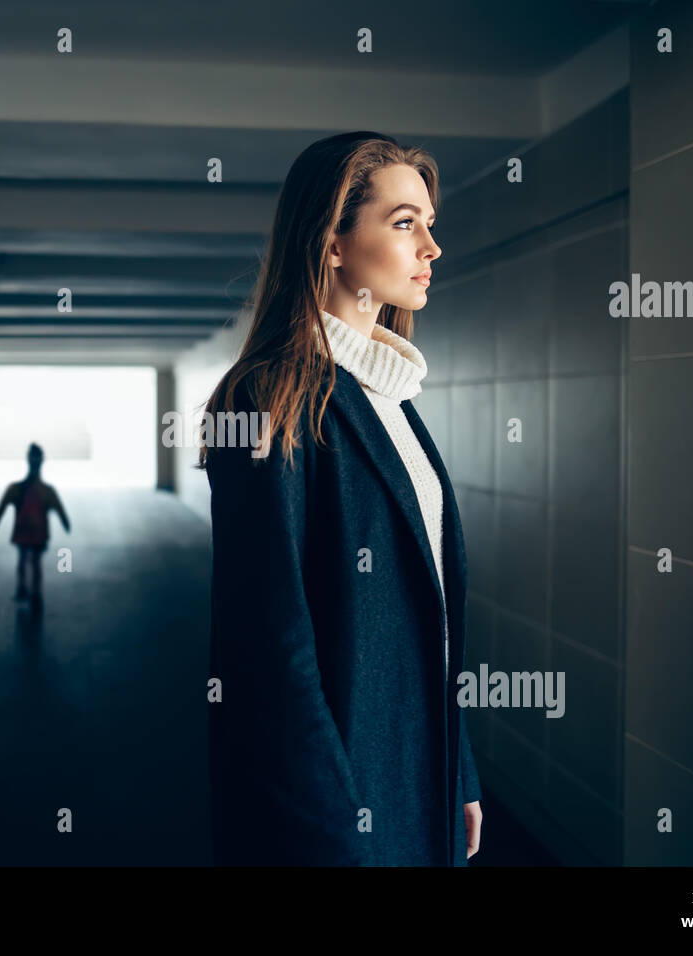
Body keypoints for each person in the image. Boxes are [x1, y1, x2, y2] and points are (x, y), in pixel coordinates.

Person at [199, 131, 483, 866]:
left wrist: (460, 770)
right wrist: (329, 832)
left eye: (429, 223)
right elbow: (267, 652)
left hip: (416, 771)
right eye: (403, 222)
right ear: (331, 245)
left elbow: (430, 618)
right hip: (340, 803)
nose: (432, 247)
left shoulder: (390, 395)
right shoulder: (266, 397)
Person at [0, 443, 70, 611]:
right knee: (34, 561)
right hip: (37, 532)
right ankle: (34, 592)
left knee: (25, 559)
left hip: (24, 531)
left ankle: (25, 589)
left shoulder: (18, 488)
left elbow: (3, 505)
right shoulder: (45, 490)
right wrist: (65, 523)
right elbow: (59, 508)